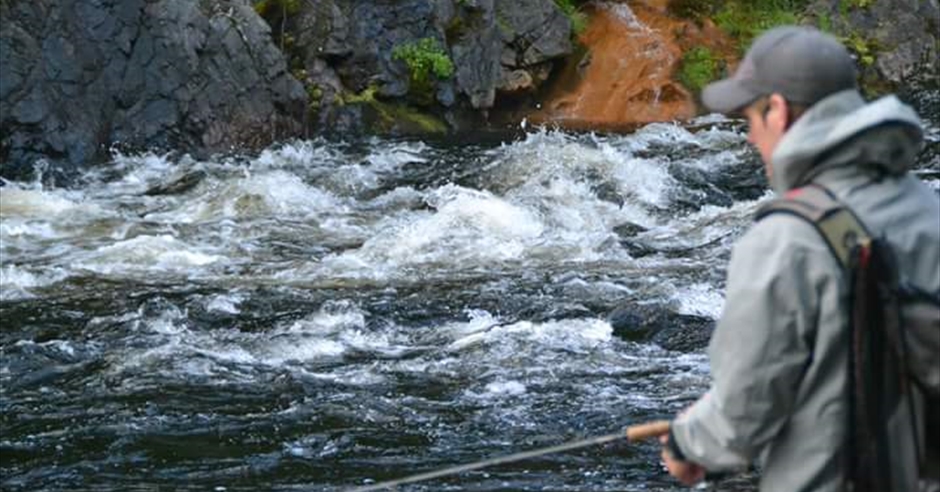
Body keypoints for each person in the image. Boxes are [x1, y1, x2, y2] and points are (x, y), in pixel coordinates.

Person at [658, 25, 940, 491]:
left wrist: (689, 443)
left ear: (779, 110)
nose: (750, 137)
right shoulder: (927, 207)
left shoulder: (787, 236)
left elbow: (745, 407)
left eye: (750, 117)